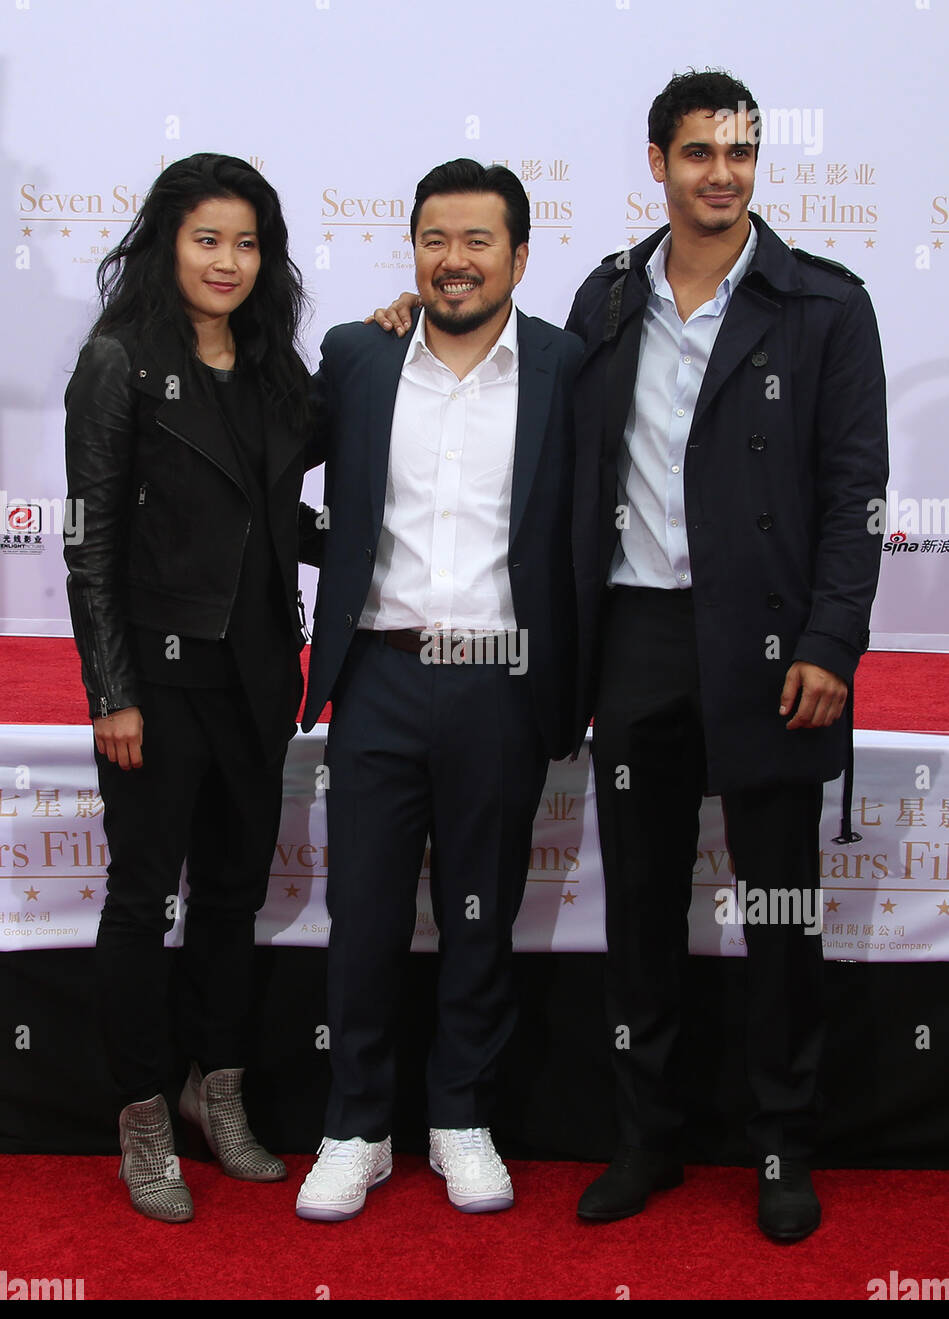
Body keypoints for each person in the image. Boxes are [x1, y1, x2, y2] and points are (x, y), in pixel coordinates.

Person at [374, 71, 888, 1242]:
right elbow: (514, 376)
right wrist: (409, 323)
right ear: (655, 161)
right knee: (644, 911)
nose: (722, 172)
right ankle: (646, 1137)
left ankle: (779, 1143)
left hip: (770, 645)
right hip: (636, 637)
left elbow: (856, 490)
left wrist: (829, 641)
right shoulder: (607, 297)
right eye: (699, 151)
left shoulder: (823, 304)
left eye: (741, 153)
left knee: (781, 908)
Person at [294, 158, 582, 1221]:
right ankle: (353, 1124)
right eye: (434, 239)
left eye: (476, 240)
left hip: (500, 683)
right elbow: (272, 464)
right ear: (411, 248)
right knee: (361, 911)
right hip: (380, 671)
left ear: (517, 251)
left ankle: (461, 1114)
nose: (453, 260)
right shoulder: (359, 357)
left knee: (480, 913)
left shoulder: (565, 364)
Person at [64, 153, 322, 1222]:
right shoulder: (119, 360)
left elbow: (275, 514)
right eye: (208, 238)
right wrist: (110, 691)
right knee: (141, 898)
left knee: (230, 895)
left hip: (258, 669)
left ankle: (217, 1091)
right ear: (168, 241)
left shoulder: (272, 368)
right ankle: (142, 1118)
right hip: (156, 682)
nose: (229, 261)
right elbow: (93, 546)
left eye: (248, 242)